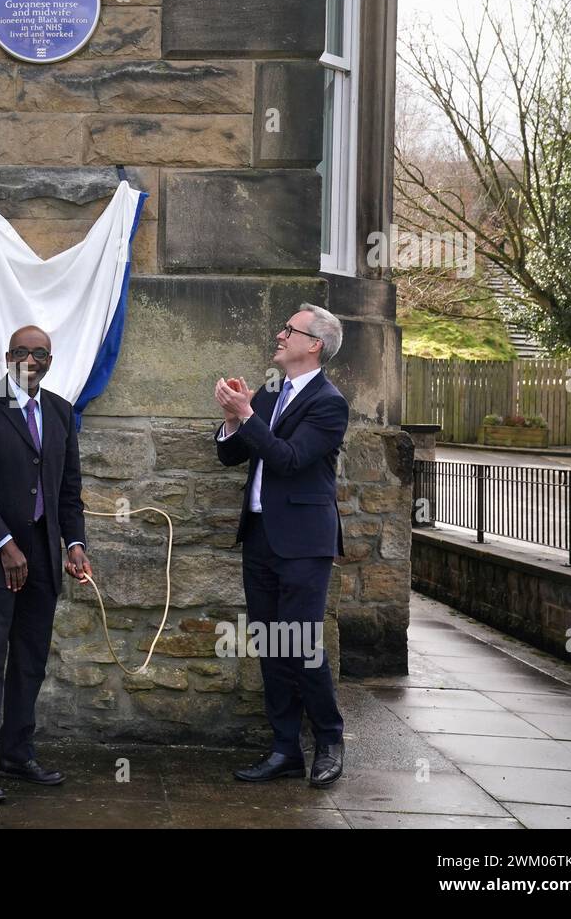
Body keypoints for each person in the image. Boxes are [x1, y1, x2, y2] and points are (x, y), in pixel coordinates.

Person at [0, 325, 91, 803]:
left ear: (51, 359)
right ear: (8, 357)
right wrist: (4, 544)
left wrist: (74, 544)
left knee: (29, 661)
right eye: (23, 351)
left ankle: (16, 753)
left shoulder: (61, 412)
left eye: (41, 352)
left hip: (46, 560)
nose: (32, 359)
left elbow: (68, 493)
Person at [214, 303, 349, 788]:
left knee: (301, 644)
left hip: (304, 543)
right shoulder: (271, 392)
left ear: (313, 344)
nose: (279, 334)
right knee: (271, 645)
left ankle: (330, 740)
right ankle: (284, 749)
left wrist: (247, 415)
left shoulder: (329, 403)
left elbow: (290, 459)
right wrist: (233, 418)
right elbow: (232, 455)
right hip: (260, 537)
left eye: (288, 330)